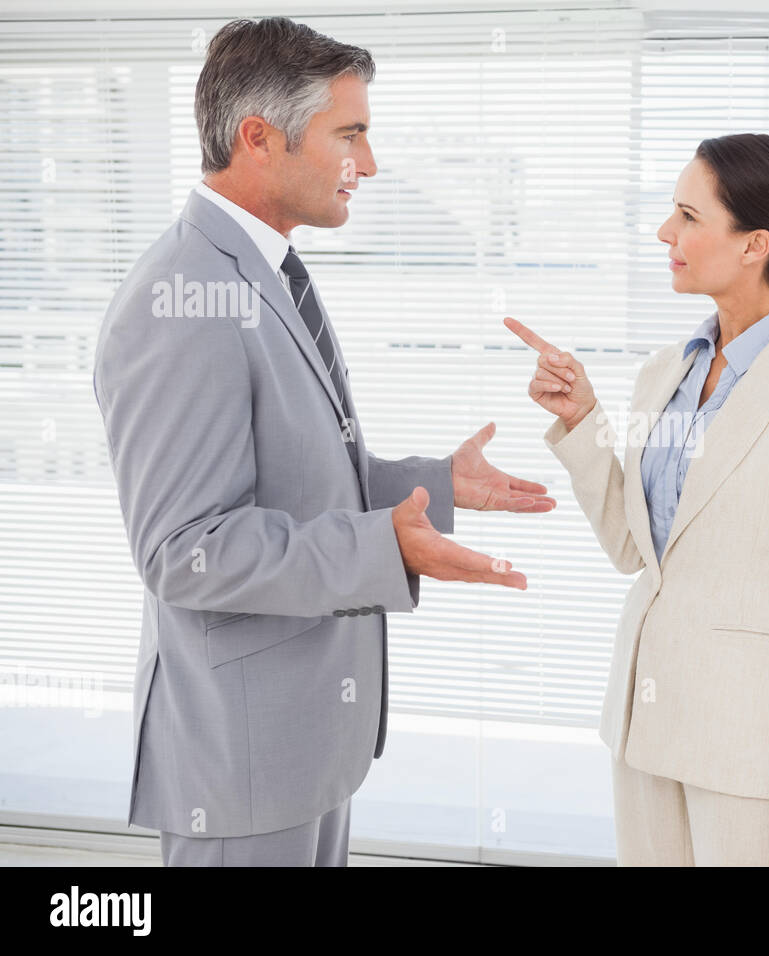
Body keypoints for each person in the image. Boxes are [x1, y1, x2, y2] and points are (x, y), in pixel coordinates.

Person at [92, 16, 552, 867]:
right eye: (350, 135)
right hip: (240, 764)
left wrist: (435, 484)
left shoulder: (263, 272)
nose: (368, 165)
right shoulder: (183, 300)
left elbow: (293, 481)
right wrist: (384, 546)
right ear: (258, 138)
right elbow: (187, 549)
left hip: (298, 748)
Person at [506, 133, 769, 866]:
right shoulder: (663, 373)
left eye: (687, 216)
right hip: (643, 730)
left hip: (751, 755)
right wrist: (584, 421)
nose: (664, 233)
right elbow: (633, 548)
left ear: (754, 245)